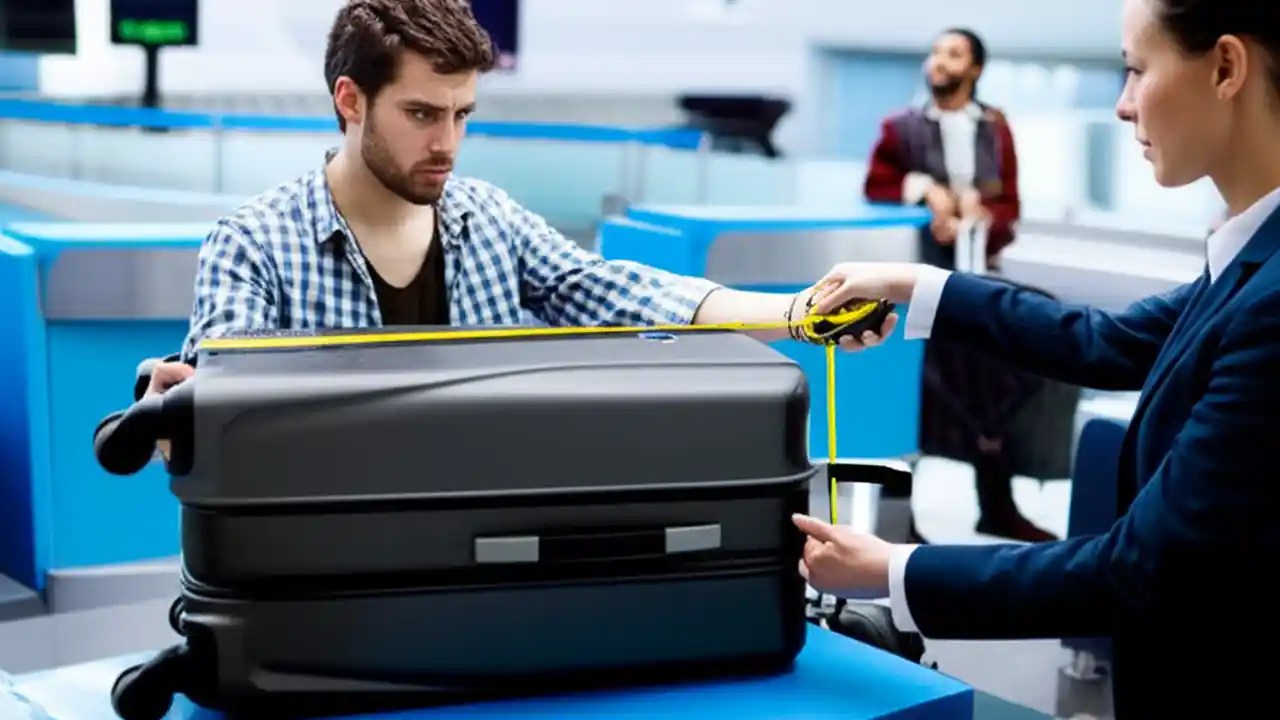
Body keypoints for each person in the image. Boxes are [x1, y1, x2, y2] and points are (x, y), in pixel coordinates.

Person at [794, 0, 1280, 715]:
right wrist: (915, 284)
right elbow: (1103, 341)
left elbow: (1141, 565)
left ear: (1226, 67)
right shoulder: (1248, 262)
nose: (1120, 107)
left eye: (1136, 70)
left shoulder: (1271, 298)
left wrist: (893, 570)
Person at [144, 0, 837, 396]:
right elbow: (220, 400)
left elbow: (615, 291)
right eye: (421, 114)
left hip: (479, 539)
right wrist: (185, 411)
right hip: (329, 559)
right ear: (350, 101)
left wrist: (797, 313)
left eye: (462, 114)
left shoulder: (491, 221)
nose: (448, 141)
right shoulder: (254, 243)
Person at [865, 28, 1051, 544]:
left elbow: (1010, 207)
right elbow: (875, 189)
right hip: (911, 278)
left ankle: (996, 505)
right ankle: (898, 519)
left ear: (974, 69)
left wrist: (980, 215)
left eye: (953, 54)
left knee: (992, 381)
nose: (939, 62)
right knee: (913, 388)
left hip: (975, 275)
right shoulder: (899, 128)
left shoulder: (994, 128)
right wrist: (925, 192)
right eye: (936, 52)